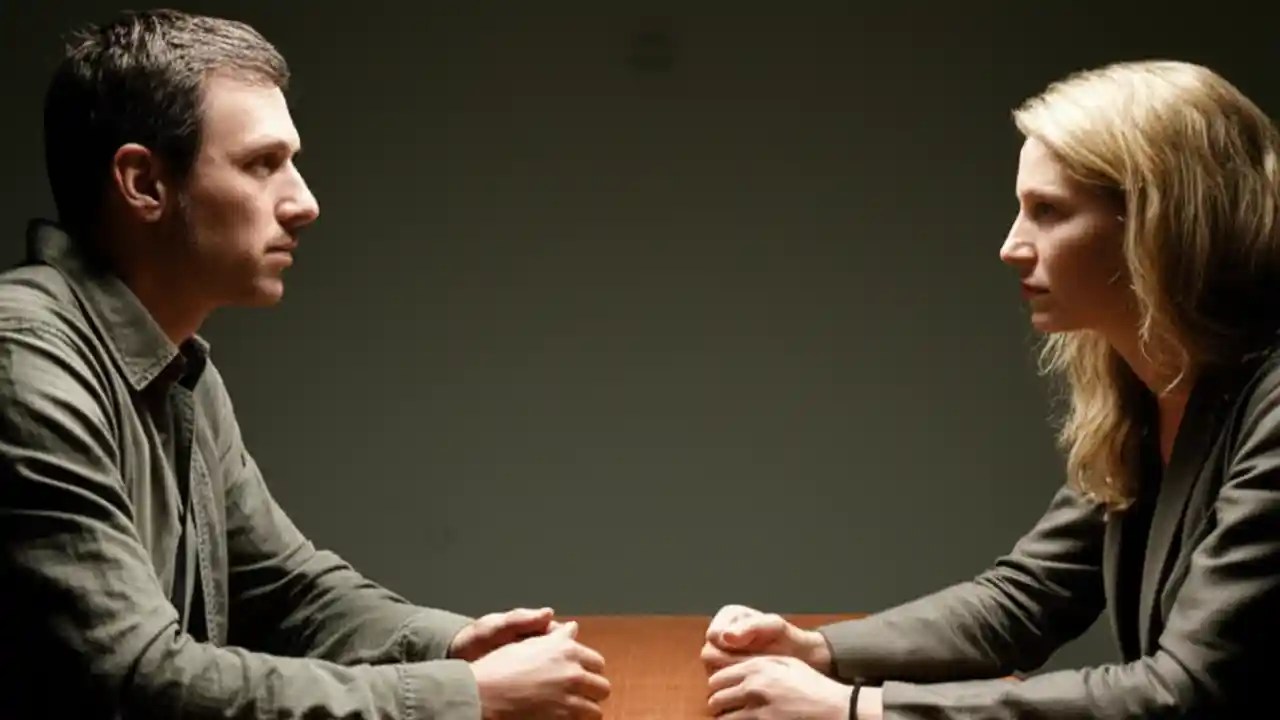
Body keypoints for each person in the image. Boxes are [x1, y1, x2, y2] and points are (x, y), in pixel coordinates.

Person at [0, 9, 609, 719]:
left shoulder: (173, 364)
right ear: (143, 184)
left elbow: (283, 590)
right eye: (262, 165)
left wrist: (454, 644)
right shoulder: (25, 361)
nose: (305, 203)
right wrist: (463, 697)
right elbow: (131, 677)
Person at [700, 59, 1280, 719]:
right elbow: (1024, 601)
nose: (1010, 245)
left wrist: (856, 710)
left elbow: (1184, 691)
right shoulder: (1145, 384)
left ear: (1159, 226)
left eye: (1048, 211)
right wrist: (818, 650)